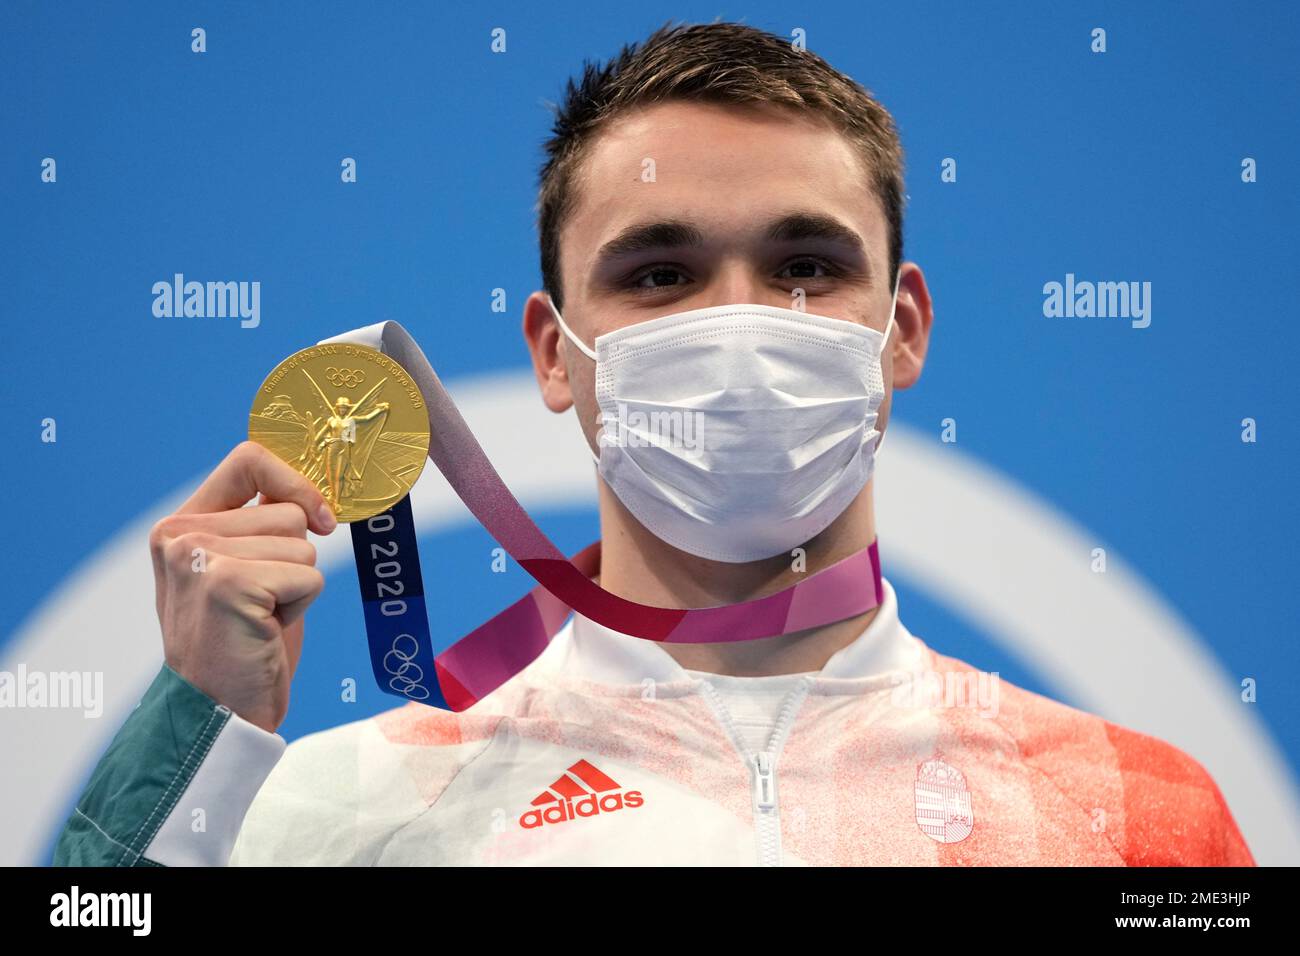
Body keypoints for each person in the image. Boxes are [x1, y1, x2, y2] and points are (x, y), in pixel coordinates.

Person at [53, 21, 1253, 866]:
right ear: (554, 353)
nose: (736, 321)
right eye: (662, 272)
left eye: (804, 266)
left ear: (903, 327)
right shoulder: (338, 808)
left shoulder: (1139, 814)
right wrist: (194, 741)